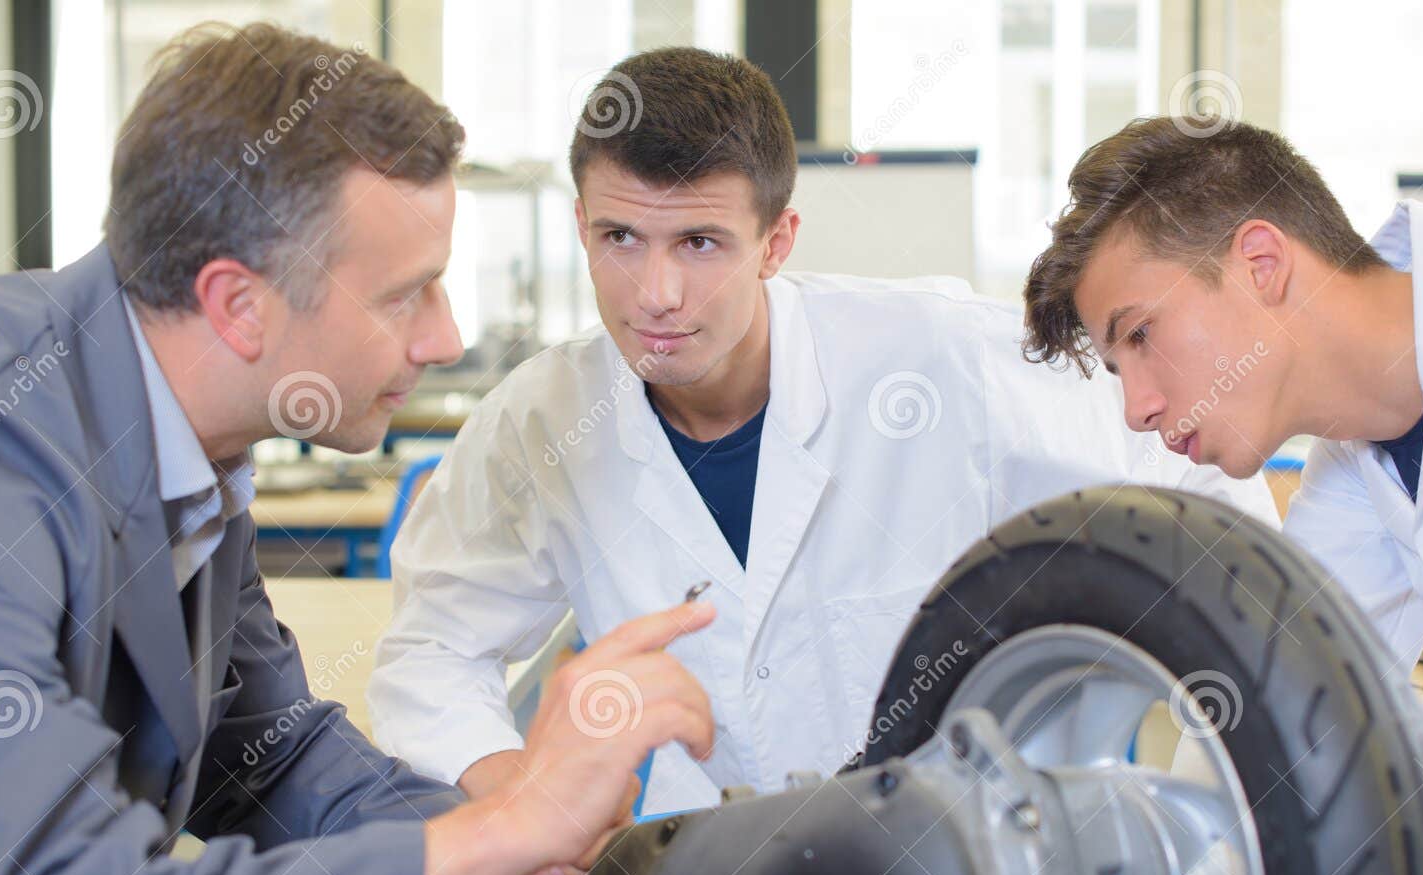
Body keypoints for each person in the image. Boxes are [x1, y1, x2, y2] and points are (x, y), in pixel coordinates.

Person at [0, 23, 713, 875]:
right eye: (409, 292)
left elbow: (268, 759)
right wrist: (498, 831)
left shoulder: (185, 434)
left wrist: (504, 848)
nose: (444, 338)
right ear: (238, 304)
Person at [367, 48, 1280, 816]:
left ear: (777, 241)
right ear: (580, 225)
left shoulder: (943, 360)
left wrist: (1176, 810)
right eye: (619, 239)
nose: (656, 296)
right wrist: (518, 798)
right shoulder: (544, 420)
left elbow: (1218, 516)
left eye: (700, 243)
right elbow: (432, 649)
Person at [1020, 113, 1423, 875]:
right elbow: (1263, 726)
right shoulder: (1356, 462)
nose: (1137, 407)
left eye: (1141, 336)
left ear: (1262, 262)